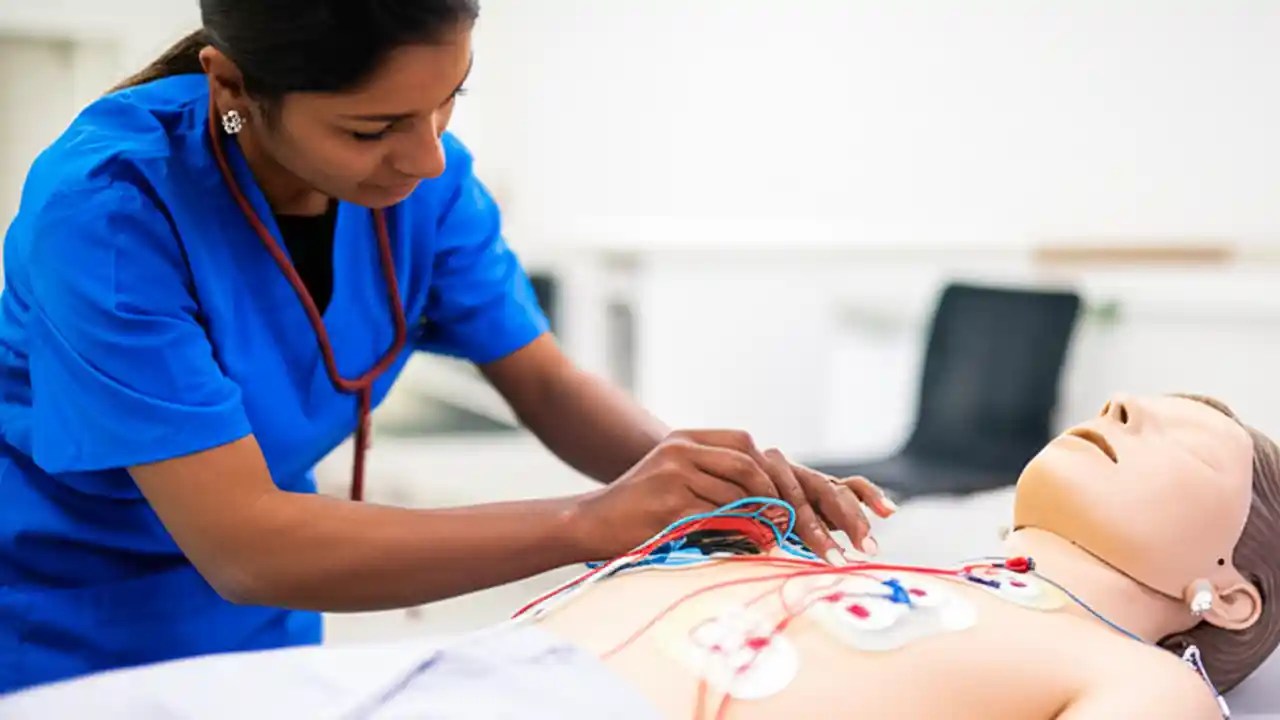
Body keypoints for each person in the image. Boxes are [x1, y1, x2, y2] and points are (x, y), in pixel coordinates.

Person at [0, 0, 896, 695]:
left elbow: (543, 381)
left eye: (448, 101)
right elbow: (245, 545)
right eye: (372, 128)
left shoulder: (423, 180)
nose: (427, 158)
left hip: (271, 603)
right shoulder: (108, 211)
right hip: (65, 615)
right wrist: (590, 523)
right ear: (231, 89)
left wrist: (704, 481)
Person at [2, 392, 1276, 719]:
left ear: (1225, 586)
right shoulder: (946, 576)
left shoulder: (1143, 677)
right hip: (424, 677)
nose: (1124, 408)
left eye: (1188, 426)